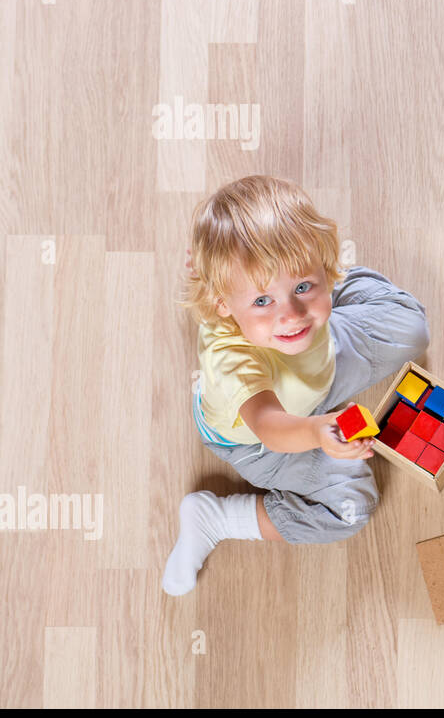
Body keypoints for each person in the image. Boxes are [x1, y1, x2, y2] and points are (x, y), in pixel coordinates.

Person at [162, 174, 430, 596]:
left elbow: (293, 303)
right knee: (350, 509)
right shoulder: (231, 360)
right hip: (263, 438)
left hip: (323, 363)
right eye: (262, 300)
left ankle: (317, 277)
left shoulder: (292, 316)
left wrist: (292, 280)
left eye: (303, 285)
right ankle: (216, 519)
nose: (292, 315)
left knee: (412, 328)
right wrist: (316, 432)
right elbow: (268, 423)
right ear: (222, 304)